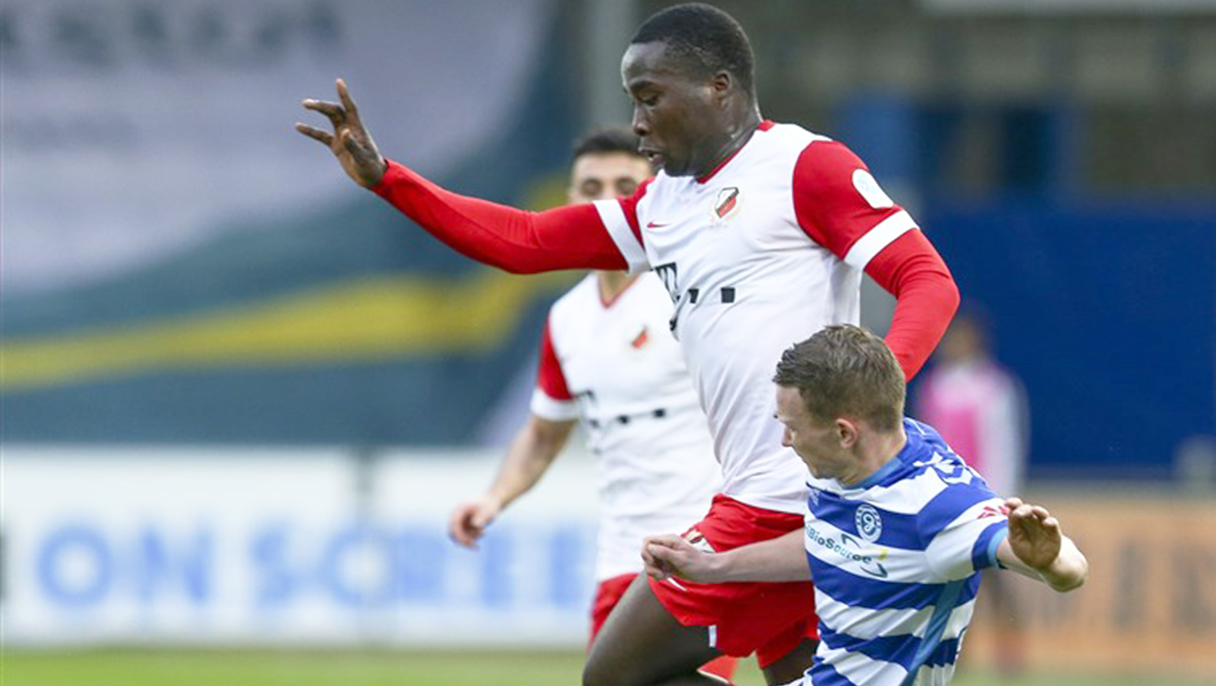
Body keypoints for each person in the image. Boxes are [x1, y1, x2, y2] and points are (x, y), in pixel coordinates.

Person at [295, 4, 960, 684]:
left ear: (719, 87)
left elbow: (927, 281)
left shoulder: (804, 166)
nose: (638, 122)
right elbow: (522, 242)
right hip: (767, 494)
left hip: (782, 496)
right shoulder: (662, 206)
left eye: (651, 97)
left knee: (610, 675)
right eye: (632, 102)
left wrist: (867, 403)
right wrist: (387, 179)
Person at [444, 129, 738, 683]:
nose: (605, 198)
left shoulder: (689, 294)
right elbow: (543, 434)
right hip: (620, 557)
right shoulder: (566, 318)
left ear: (649, 195)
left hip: (701, 548)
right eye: (591, 186)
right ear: (569, 202)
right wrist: (493, 497)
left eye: (623, 185)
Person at [641, 324, 1087, 686]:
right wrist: (711, 565)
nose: (785, 440)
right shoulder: (865, 454)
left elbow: (1069, 569)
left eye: (793, 428)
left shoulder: (935, 503)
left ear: (843, 432)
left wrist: (1051, 563)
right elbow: (830, 540)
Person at [912, 307, 1030, 675]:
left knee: (996, 583)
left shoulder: (996, 387)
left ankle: (1010, 659)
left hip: (984, 500)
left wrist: (999, 499)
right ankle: (954, 659)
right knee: (951, 584)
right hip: (945, 503)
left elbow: (1003, 445)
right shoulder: (934, 387)